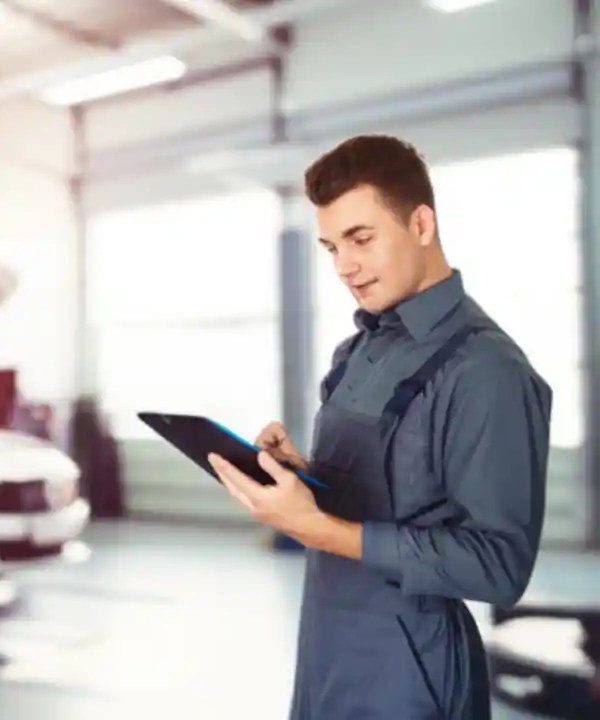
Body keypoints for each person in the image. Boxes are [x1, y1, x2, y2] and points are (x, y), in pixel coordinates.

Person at [206, 134, 553, 719]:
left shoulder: (486, 370)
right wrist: (305, 477)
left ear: (421, 224)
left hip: (410, 673)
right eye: (331, 246)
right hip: (327, 650)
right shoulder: (358, 350)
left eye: (361, 238)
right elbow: (391, 491)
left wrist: (319, 529)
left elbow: (499, 566)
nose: (345, 265)